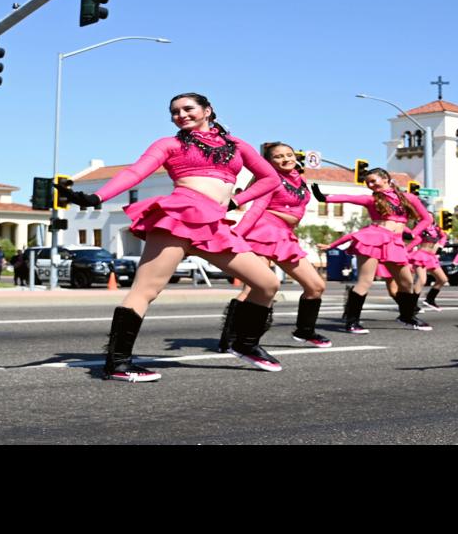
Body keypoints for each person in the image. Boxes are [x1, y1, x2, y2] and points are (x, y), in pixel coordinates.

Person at [56, 92, 282, 382]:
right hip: (178, 217)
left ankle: (245, 343)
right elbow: (136, 172)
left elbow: (270, 179)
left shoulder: (237, 146)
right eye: (174, 112)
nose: (181, 115)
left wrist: (237, 201)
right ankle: (118, 363)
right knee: (145, 290)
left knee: (267, 283)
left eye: (188, 109)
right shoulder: (170, 144)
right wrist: (96, 196)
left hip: (214, 226)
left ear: (208, 110)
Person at [221, 142, 332, 350]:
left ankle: (304, 331)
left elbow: (295, 212)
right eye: (279, 157)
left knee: (316, 286)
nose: (286, 159)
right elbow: (256, 210)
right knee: (254, 288)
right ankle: (232, 337)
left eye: (289, 155)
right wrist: (236, 236)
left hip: (286, 236)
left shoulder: (301, 180)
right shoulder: (270, 181)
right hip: (264, 232)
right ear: (269, 162)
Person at [311, 168, 433, 332]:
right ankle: (352, 321)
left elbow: (427, 218)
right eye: (368, 182)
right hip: (374, 238)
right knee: (365, 281)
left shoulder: (409, 198)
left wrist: (413, 233)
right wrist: (325, 198)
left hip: (395, 242)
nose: (370, 185)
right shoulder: (372, 199)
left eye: (374, 181)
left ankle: (407, 316)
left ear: (385, 179)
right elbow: (350, 198)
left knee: (407, 282)